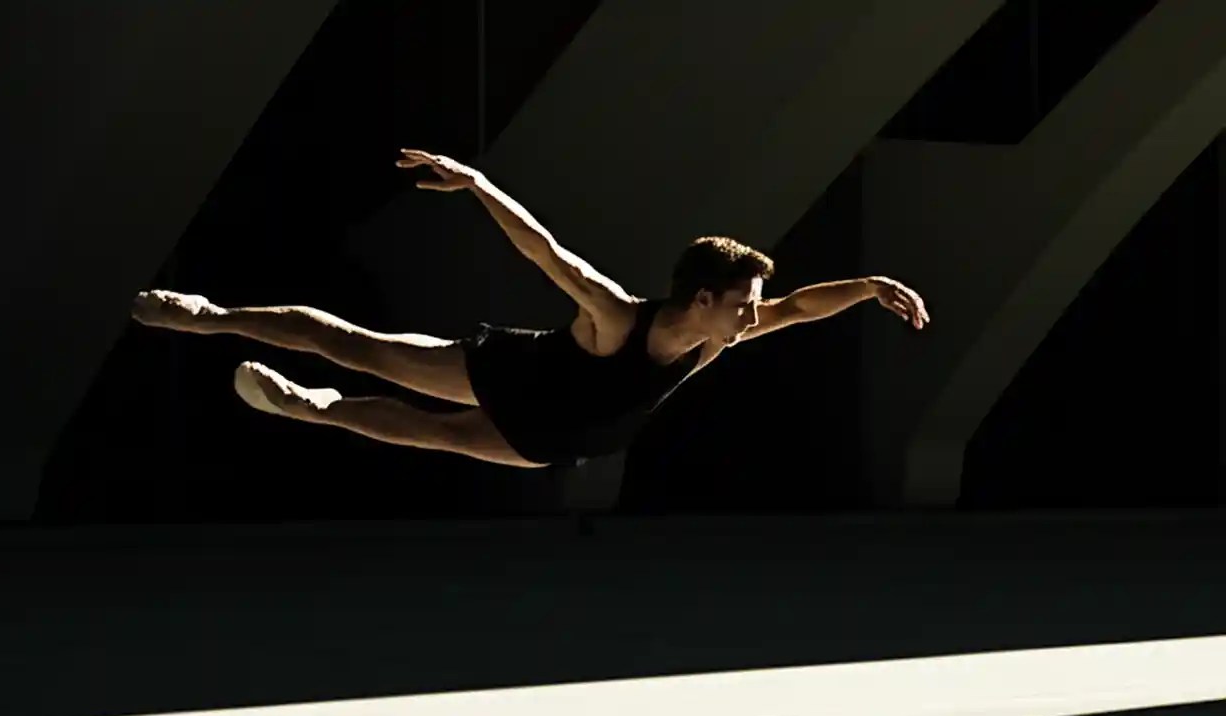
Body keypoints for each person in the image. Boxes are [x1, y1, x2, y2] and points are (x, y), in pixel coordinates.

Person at [132, 148, 930, 469]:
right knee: (355, 343)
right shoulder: (620, 318)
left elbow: (799, 306)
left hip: (555, 439)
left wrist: (864, 288)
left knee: (425, 433)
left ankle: (313, 409)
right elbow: (549, 253)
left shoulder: (716, 341)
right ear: (704, 297)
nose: (757, 317)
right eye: (746, 305)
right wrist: (478, 186)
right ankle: (206, 316)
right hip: (513, 381)